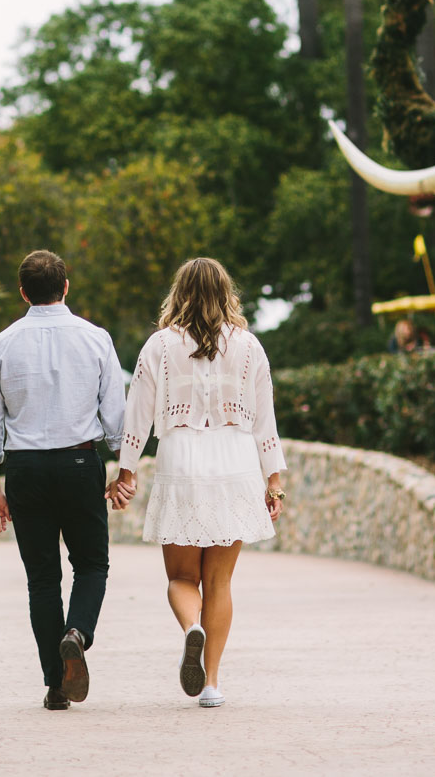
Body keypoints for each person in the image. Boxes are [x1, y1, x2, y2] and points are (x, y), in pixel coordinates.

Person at [106, 257, 285, 709]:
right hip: (236, 464)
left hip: (181, 461)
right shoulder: (249, 346)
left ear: (179, 292)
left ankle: (192, 628)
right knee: (219, 583)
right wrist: (274, 481)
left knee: (181, 578)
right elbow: (265, 419)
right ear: (227, 293)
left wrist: (125, 471)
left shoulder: (159, 345)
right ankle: (211, 684)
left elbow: (137, 413)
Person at [0, 250, 124, 711]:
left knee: (42, 580)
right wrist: (124, 469)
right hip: (80, 463)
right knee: (92, 565)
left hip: (25, 470)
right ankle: (77, 632)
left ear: (23, 293)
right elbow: (116, 417)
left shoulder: (3, 344)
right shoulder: (96, 339)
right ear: (66, 286)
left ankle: (57, 686)